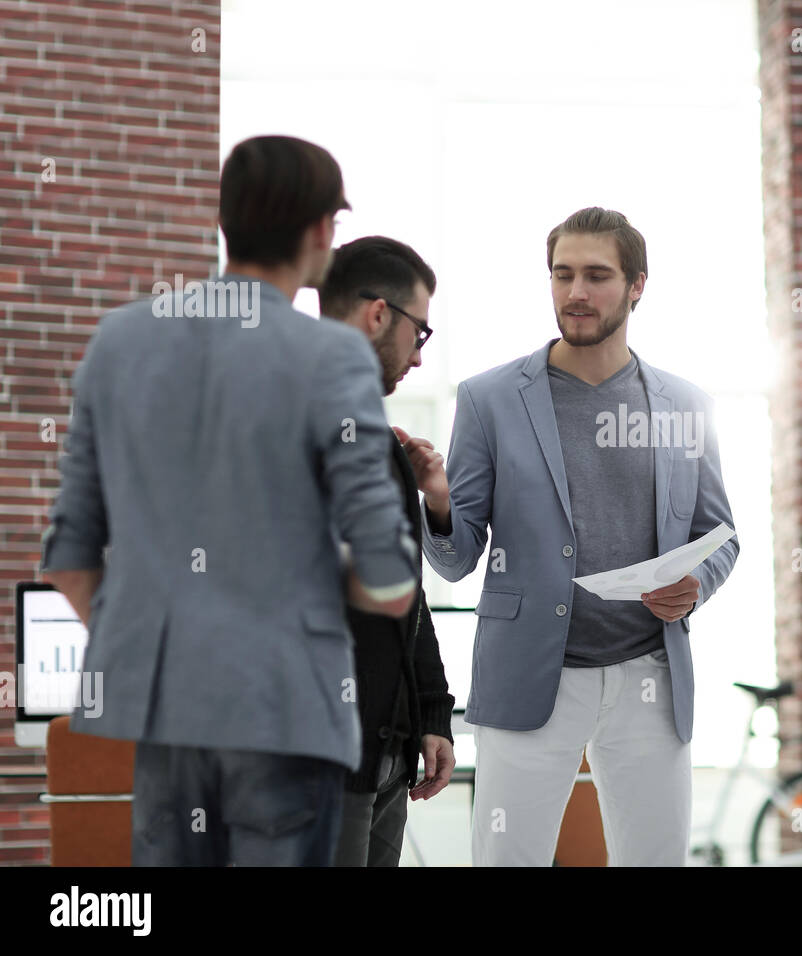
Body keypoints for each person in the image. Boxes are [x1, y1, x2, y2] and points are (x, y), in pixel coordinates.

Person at [40, 135, 419, 866]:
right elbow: (388, 574)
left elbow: (69, 557)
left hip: (163, 708)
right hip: (288, 708)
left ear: (227, 221)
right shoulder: (333, 355)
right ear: (319, 232)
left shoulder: (118, 343)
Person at [402, 207, 738, 866]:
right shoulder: (489, 399)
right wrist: (438, 502)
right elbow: (456, 559)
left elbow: (719, 534)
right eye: (562, 275)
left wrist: (698, 582)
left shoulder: (686, 404)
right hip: (533, 676)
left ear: (638, 284)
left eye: (596, 275)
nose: (576, 292)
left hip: (651, 677)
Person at [317, 236, 458, 866]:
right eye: (419, 333)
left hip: (386, 757)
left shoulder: (380, 441)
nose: (419, 358)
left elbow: (406, 595)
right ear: (379, 314)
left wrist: (431, 713)